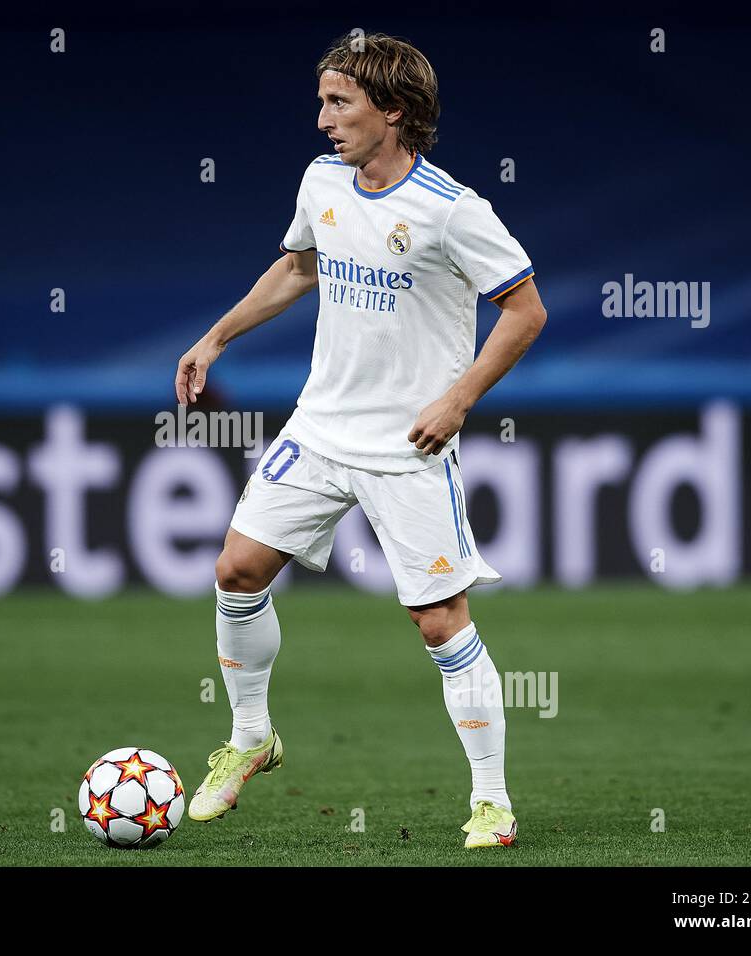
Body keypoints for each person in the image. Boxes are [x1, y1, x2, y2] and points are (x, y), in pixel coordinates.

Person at [172, 32, 547, 848]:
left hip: (407, 446)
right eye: (322, 101)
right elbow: (300, 267)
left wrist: (457, 399)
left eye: (340, 103)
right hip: (320, 427)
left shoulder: (453, 209)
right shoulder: (322, 182)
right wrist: (216, 339)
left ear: (395, 112)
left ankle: (492, 802)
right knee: (237, 570)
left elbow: (525, 311)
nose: (322, 120)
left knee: (441, 623)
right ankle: (249, 740)